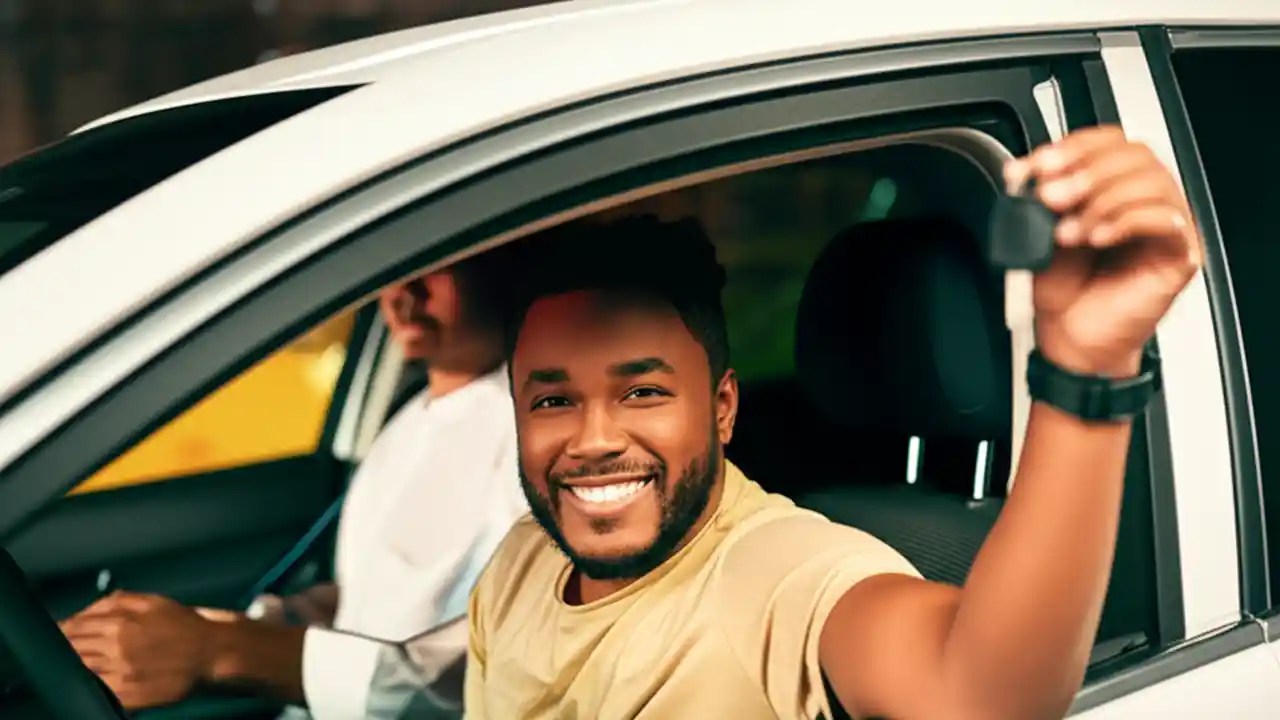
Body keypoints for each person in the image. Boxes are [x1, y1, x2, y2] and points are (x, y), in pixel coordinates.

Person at [464, 126, 1201, 719]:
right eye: (553, 401)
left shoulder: (776, 570)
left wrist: (1083, 376)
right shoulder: (523, 559)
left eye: (644, 393)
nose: (593, 440)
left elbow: (975, 697)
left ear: (723, 408)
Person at [58, 249, 529, 719]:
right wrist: (249, 623)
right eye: (397, 271)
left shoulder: (531, 433)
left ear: (497, 261)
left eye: (434, 267)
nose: (403, 298)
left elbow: (480, 670)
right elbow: (371, 599)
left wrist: (221, 649)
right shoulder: (406, 422)